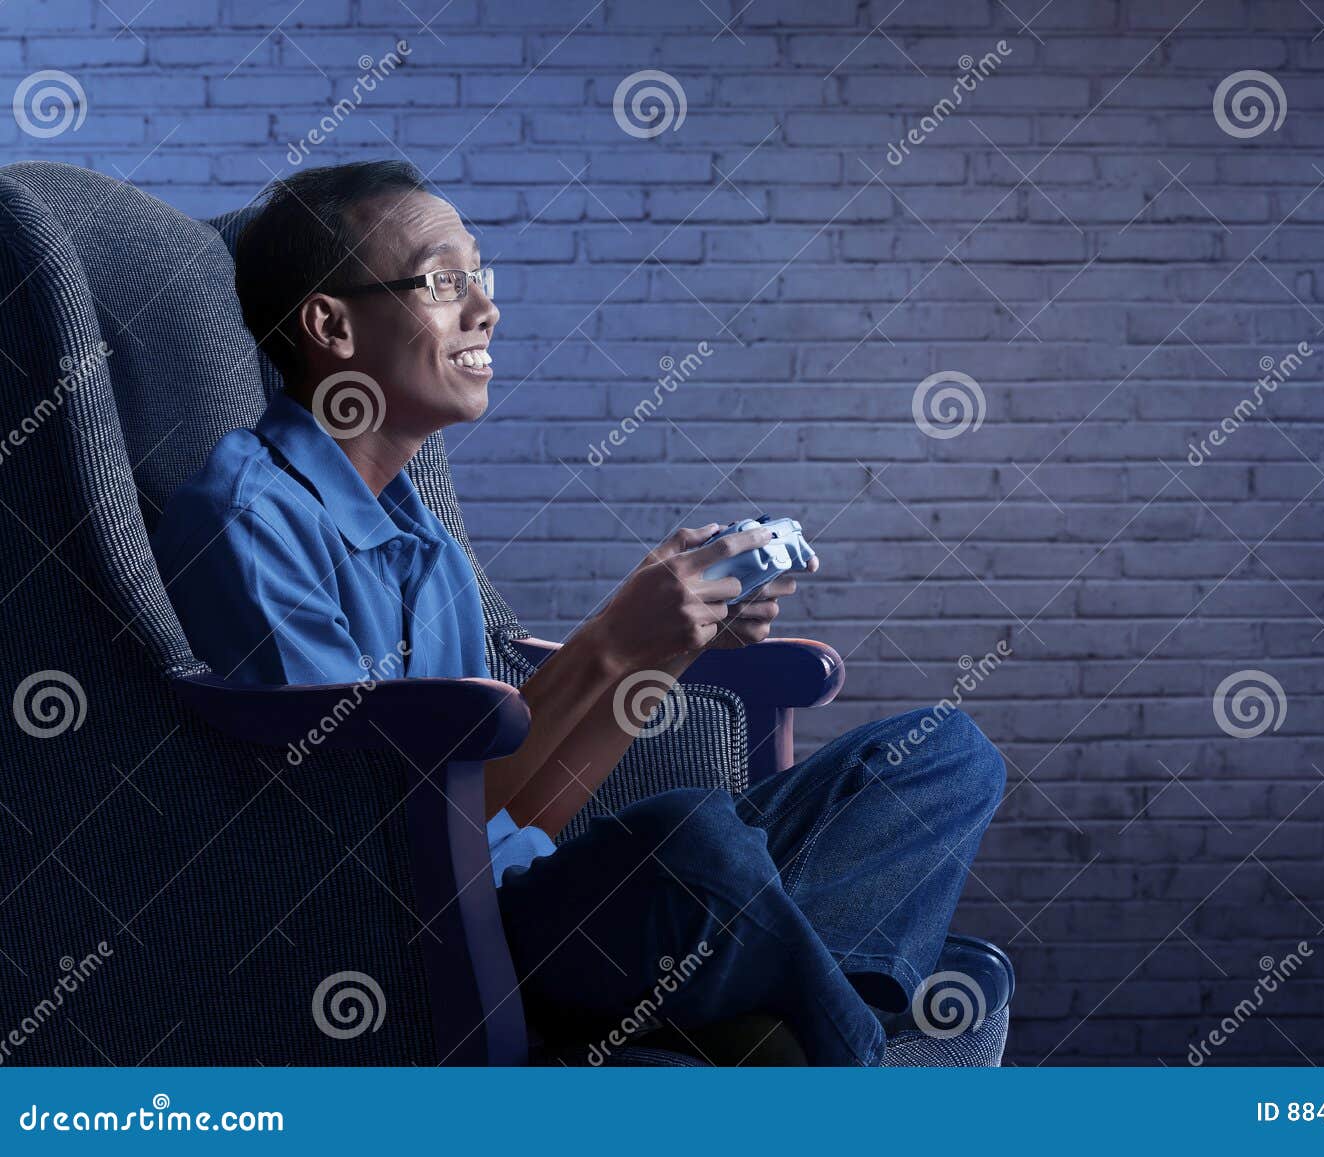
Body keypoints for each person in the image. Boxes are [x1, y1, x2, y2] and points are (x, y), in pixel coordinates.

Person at [153, 160, 1007, 1066]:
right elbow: (372, 851)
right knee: (696, 843)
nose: (485, 311)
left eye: (481, 278)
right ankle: (830, 1037)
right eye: (446, 282)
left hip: (530, 898)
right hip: (428, 946)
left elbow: (519, 812)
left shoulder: (425, 538)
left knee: (942, 756)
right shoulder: (248, 517)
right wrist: (611, 643)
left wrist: (663, 648)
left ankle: (786, 1000)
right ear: (330, 324)